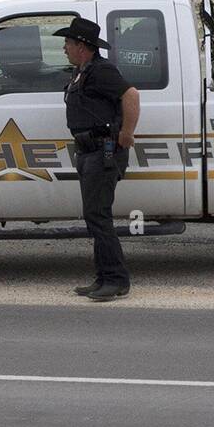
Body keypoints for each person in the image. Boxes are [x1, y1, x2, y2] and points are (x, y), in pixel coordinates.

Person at [55, 17, 140, 301]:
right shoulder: (83, 71)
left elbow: (131, 95)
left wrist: (127, 133)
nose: (64, 48)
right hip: (88, 151)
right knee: (95, 217)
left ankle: (116, 280)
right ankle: (103, 277)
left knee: (99, 217)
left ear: (82, 46)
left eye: (68, 43)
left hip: (103, 153)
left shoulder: (101, 71)